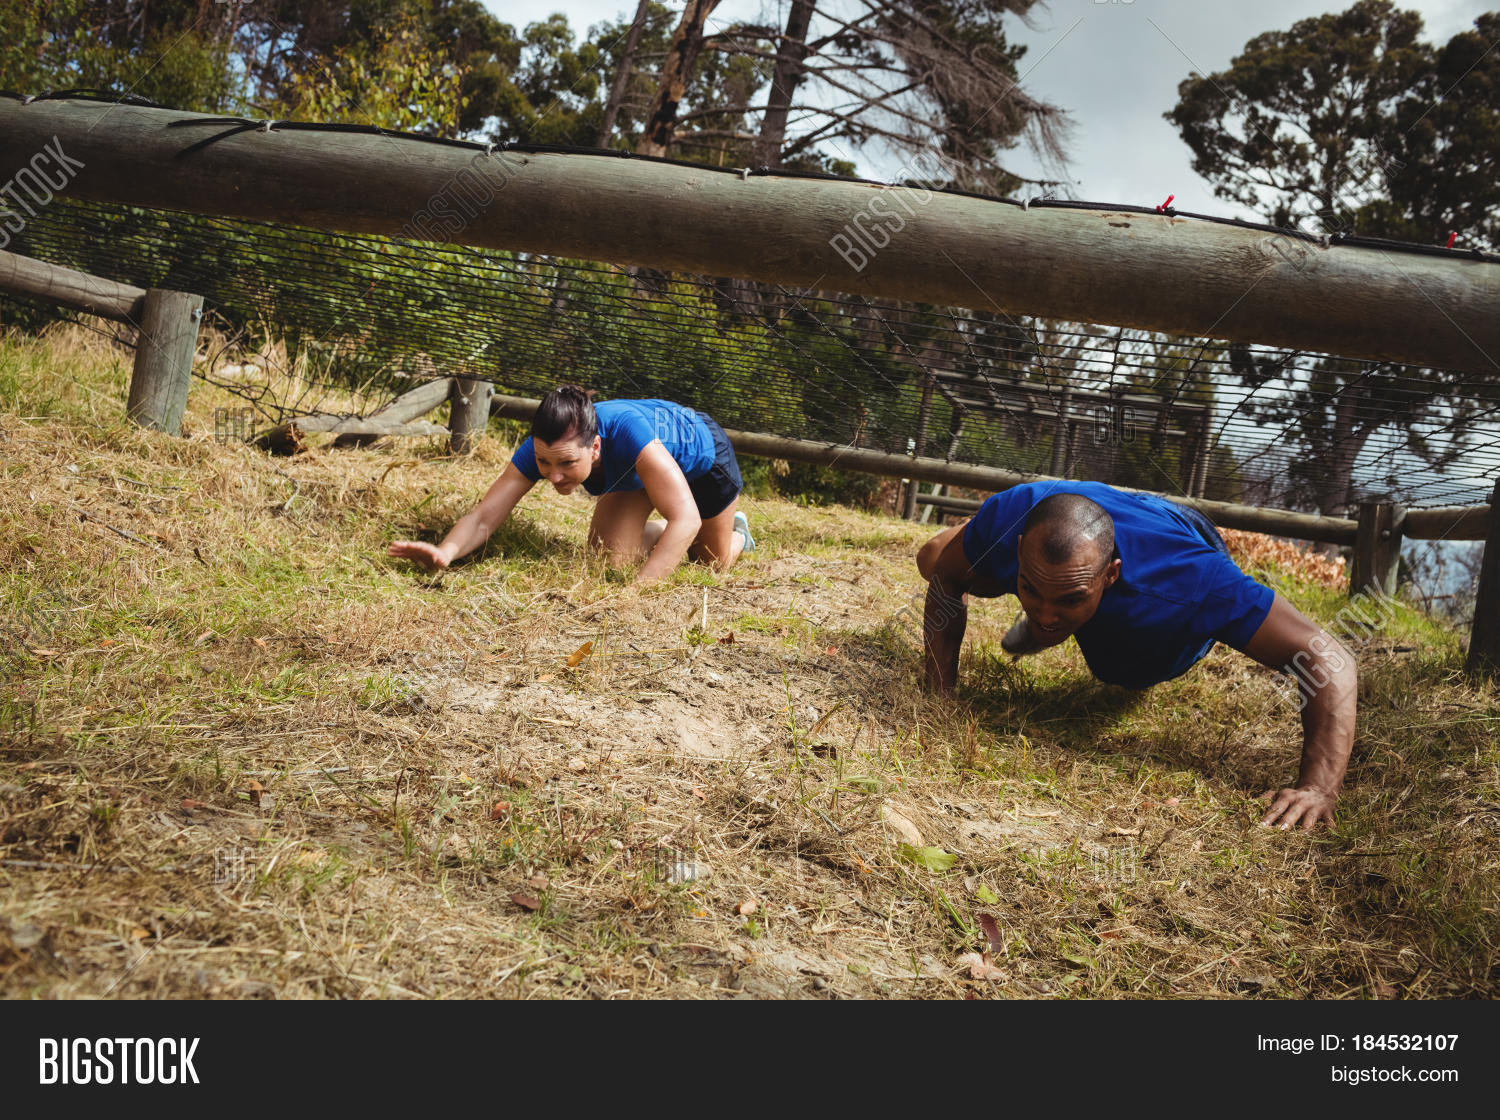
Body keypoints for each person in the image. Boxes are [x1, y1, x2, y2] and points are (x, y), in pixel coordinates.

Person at [915, 480, 1356, 831]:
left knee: (1123, 668)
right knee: (933, 558)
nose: (1046, 614)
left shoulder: (1192, 581)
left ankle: (1065, 607)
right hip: (1092, 505)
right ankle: (1047, 593)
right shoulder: (1011, 515)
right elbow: (947, 578)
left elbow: (1328, 657)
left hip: (1177, 538)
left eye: (1070, 598)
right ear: (1019, 547)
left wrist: (1319, 787)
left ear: (1110, 575)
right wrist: (941, 695)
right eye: (1031, 591)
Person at [388, 386, 754, 583]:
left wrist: (639, 591)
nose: (554, 476)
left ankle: (738, 534)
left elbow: (687, 519)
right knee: (608, 557)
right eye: (544, 463)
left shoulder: (628, 432)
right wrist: (445, 552)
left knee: (710, 563)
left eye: (566, 464)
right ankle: (662, 527)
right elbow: (484, 516)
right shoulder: (542, 448)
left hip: (704, 460)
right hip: (642, 472)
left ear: (595, 448)